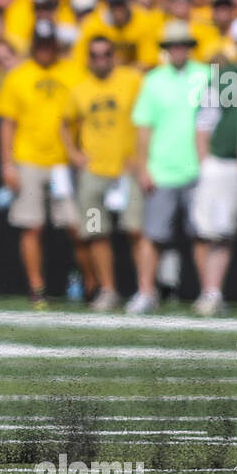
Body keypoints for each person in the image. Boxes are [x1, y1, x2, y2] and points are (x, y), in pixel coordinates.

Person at [128, 20, 210, 314]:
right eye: (173, 45)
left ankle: (210, 293)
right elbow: (143, 128)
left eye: (182, 45)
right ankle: (146, 291)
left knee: (203, 234)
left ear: (189, 48)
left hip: (197, 169)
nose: (178, 50)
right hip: (161, 169)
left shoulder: (206, 75)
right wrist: (143, 168)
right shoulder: (153, 81)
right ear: (166, 49)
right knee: (153, 236)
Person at [0, 19, 79, 308]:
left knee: (76, 226)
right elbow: (7, 123)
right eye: (40, 45)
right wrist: (7, 165)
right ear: (34, 46)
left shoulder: (73, 71)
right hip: (28, 159)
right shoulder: (18, 76)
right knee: (32, 226)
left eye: (49, 45)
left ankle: (82, 282)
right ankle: (37, 288)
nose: (45, 51)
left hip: (64, 162)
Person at [190, 16, 237, 316]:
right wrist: (205, 162)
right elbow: (204, 122)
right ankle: (211, 292)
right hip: (225, 162)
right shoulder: (223, 77)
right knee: (218, 232)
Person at [66, 35, 144, 313]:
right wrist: (74, 153)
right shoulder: (80, 88)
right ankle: (108, 290)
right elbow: (65, 122)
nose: (101, 59)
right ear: (88, 58)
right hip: (94, 172)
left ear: (114, 55)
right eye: (95, 55)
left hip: (127, 169)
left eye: (106, 53)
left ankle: (145, 290)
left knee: (136, 230)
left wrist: (140, 155)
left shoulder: (131, 79)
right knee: (96, 232)